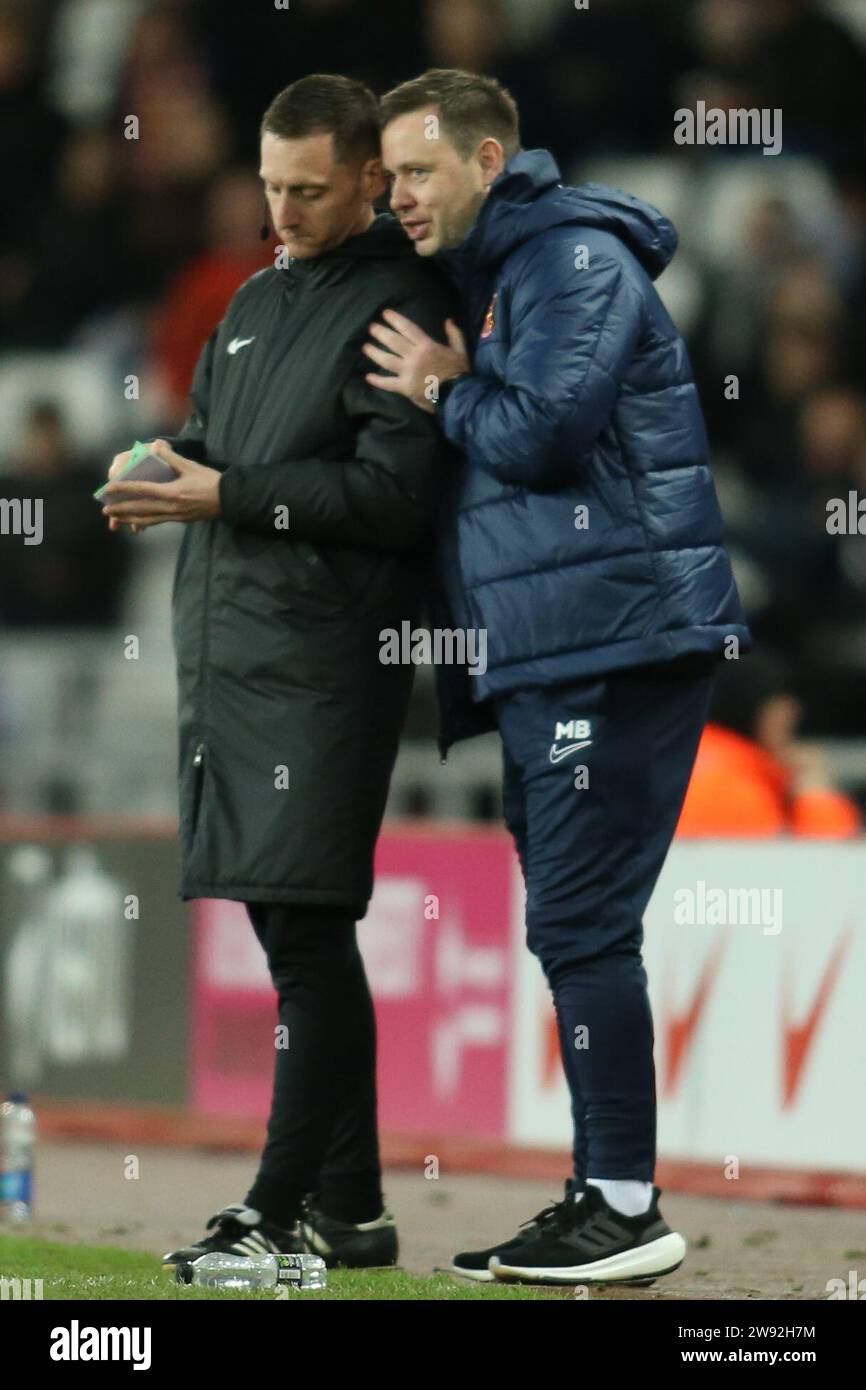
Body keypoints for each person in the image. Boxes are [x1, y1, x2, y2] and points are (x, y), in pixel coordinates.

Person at [365, 68, 751, 1286]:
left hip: (617, 639)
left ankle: (624, 1205)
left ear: (488, 163)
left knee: (582, 925)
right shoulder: (502, 273)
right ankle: (602, 1191)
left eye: (416, 171)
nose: (398, 196)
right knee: (574, 929)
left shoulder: (570, 262)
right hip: (560, 647)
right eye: (387, 175)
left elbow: (540, 432)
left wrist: (438, 386)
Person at [100, 74, 456, 1271]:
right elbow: (220, 449)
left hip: (323, 669)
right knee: (295, 936)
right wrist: (165, 469)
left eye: (308, 190)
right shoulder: (250, 302)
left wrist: (227, 492)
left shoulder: (402, 301)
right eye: (268, 186)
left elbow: (398, 497)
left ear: (368, 179)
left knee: (306, 941)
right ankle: (350, 1212)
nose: (285, 210)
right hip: (234, 660)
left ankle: (275, 1208)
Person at [677, 651, 860, 837]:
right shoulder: (735, 791)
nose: (793, 713)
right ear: (749, 705)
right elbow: (828, 857)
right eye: (779, 701)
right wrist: (817, 794)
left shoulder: (678, 759)